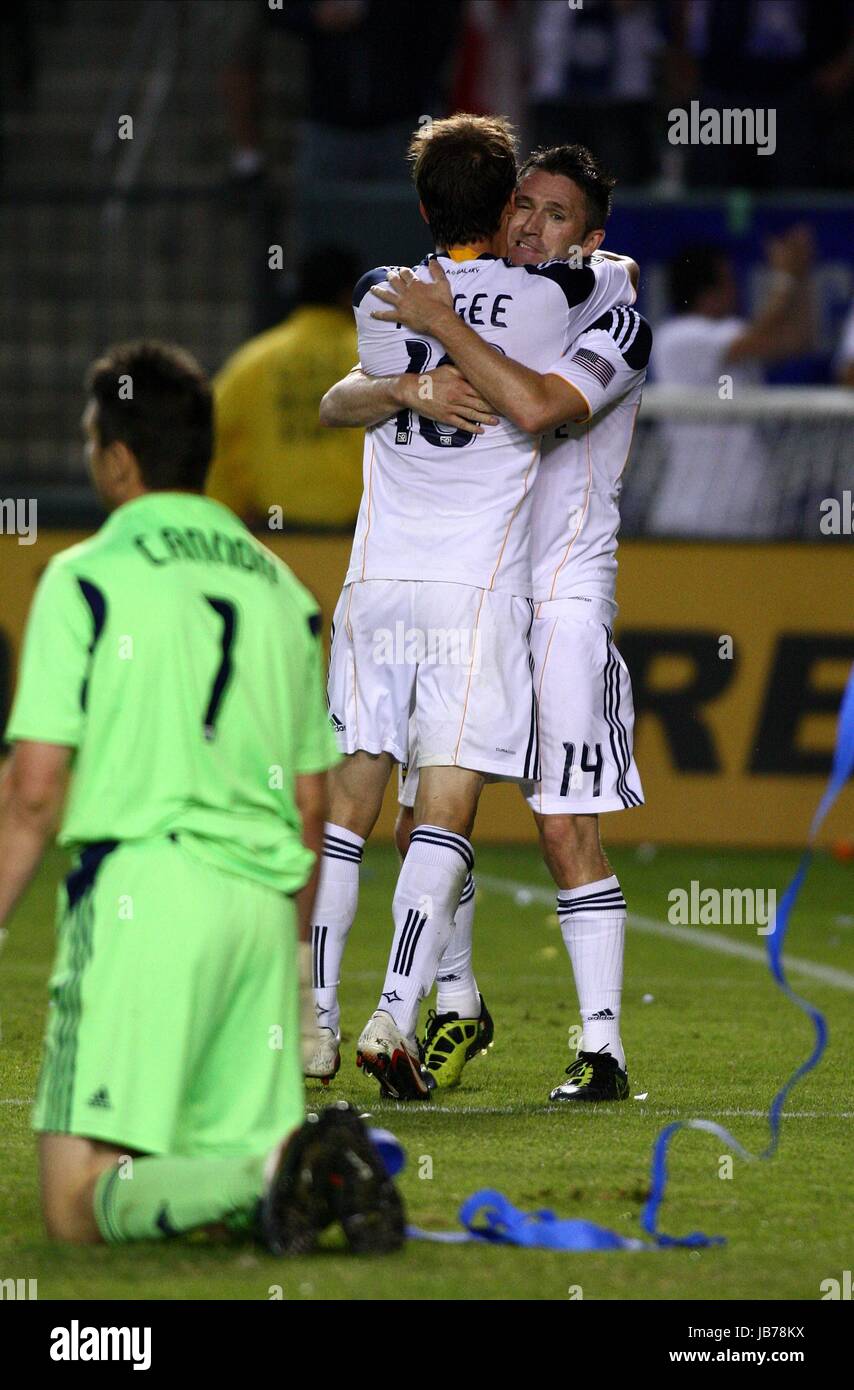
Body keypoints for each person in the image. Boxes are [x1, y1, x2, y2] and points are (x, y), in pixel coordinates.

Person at [0, 341, 402, 1252]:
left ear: (116, 457)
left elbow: (32, 793)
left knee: (75, 1207)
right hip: (259, 919)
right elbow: (312, 807)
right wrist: (299, 974)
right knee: (201, 1195)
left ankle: (273, 1171)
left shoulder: (85, 576)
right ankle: (290, 1172)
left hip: (144, 903)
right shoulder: (281, 592)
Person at [309, 117, 635, 1102]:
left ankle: (602, 1043)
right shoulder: (496, 290)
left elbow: (537, 409)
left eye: (555, 214)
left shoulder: (608, 299)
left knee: (558, 823)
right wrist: (416, 375)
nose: (533, 224)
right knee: (422, 816)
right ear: (498, 211)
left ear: (586, 232)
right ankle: (446, 1002)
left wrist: (432, 347)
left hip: (558, 586)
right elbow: (342, 395)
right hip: (473, 582)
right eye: (523, 205)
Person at [648, 228, 814, 536]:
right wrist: (784, 278)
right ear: (706, 290)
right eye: (728, 281)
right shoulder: (677, 338)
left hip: (752, 513)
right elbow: (754, 337)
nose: (735, 290)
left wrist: (800, 277)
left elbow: (798, 341)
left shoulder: (732, 339)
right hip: (695, 516)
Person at [206, 247, 365, 530]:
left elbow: (210, 432)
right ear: (349, 295)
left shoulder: (253, 361)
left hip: (273, 536)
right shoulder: (372, 359)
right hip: (357, 537)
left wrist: (228, 509)